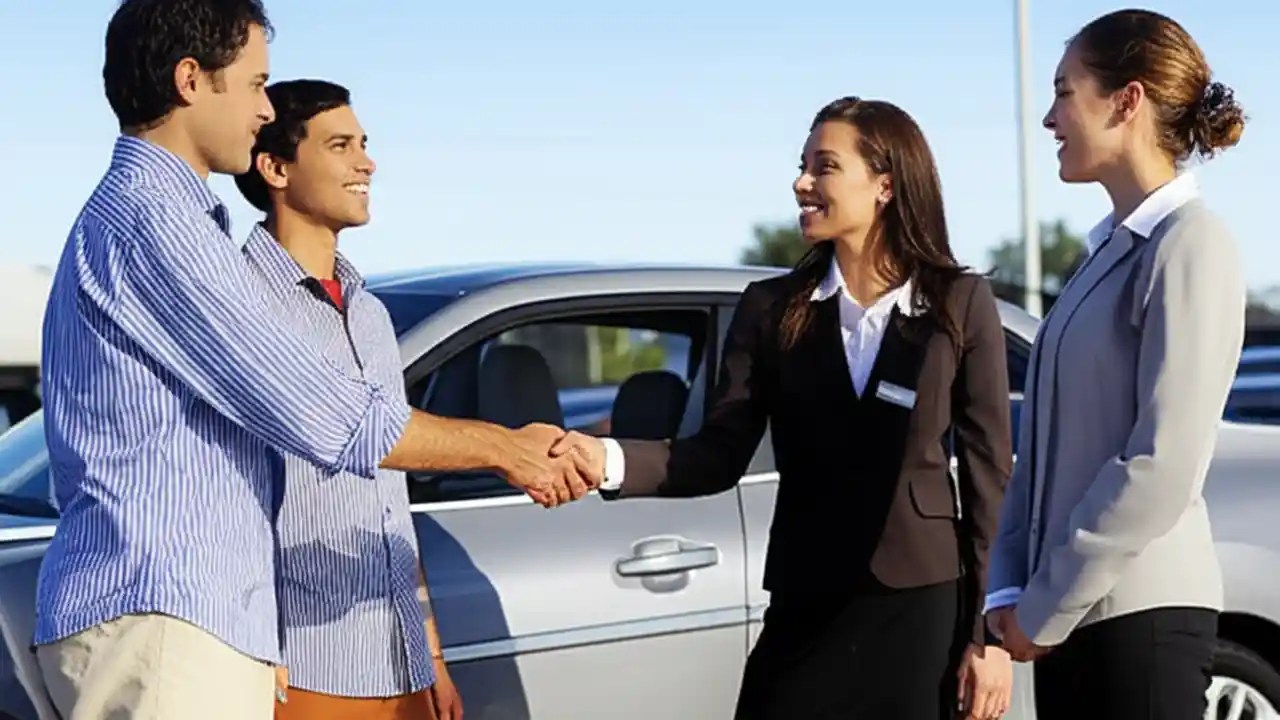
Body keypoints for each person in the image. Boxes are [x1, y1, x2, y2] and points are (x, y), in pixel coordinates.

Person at [34, 2, 587, 718]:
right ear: (191, 79)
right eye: (257, 82)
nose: (265, 107)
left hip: (182, 619)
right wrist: (507, 448)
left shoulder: (154, 216)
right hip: (167, 622)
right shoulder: (157, 219)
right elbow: (332, 417)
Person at [554, 96, 1014, 720]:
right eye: (802, 166)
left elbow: (990, 479)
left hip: (923, 603)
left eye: (824, 167)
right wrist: (603, 459)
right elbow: (714, 456)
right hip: (807, 599)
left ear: (884, 184)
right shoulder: (770, 308)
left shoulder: (959, 303)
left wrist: (987, 637)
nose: (801, 182)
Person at [983, 9, 1248, 720]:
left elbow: (1160, 464)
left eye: (1065, 91)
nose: (1049, 117)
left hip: (1141, 621)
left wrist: (1043, 604)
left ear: (1126, 101)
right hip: (1074, 625)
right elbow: (1036, 451)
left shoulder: (1192, 244)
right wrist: (1009, 589)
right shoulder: (1104, 256)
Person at [230, 79, 463, 720]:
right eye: (341, 145)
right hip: (301, 668)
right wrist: (253, 648)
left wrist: (432, 655)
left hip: (401, 662)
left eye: (364, 143)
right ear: (275, 167)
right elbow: (223, 493)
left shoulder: (372, 315)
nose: (367, 162)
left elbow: (393, 499)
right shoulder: (236, 304)